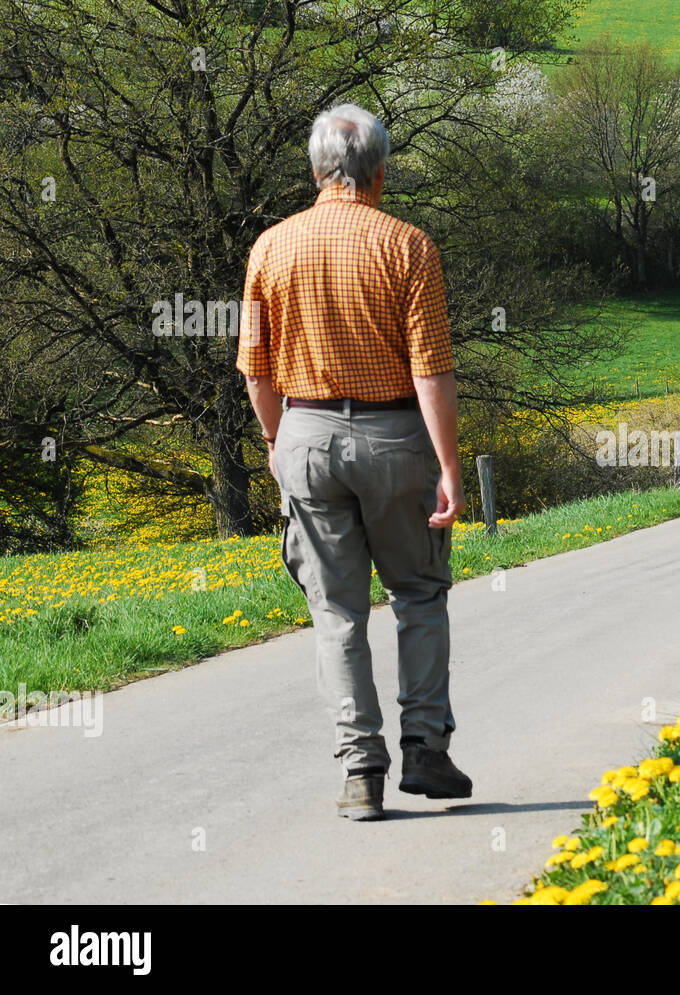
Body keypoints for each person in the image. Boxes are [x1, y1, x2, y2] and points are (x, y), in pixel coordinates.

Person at [236, 102, 470, 821]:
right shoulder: (409, 246)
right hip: (395, 435)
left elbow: (255, 367)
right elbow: (430, 369)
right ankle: (424, 745)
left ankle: (361, 771)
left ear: (315, 170)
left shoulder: (271, 248)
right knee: (419, 594)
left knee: (336, 610)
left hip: (305, 432)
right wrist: (449, 465)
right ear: (380, 170)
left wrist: (279, 443)